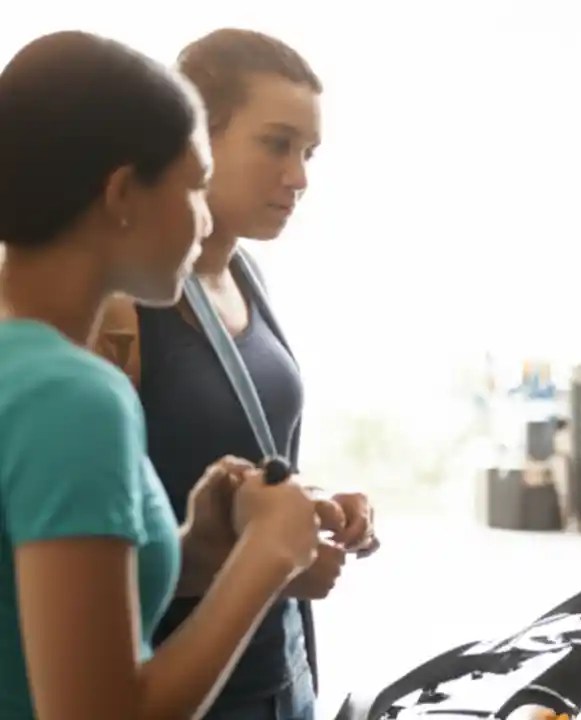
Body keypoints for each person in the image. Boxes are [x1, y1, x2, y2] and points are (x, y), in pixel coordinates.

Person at [0, 30, 322, 719]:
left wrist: (194, 551)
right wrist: (265, 559)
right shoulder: (73, 396)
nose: (205, 217)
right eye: (196, 185)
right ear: (123, 194)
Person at [92, 28, 379, 720]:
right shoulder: (119, 310)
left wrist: (310, 506)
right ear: (196, 138)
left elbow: (232, 461)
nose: (300, 177)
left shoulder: (246, 277)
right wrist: (265, 560)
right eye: (276, 144)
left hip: (277, 670)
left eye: (308, 153)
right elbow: (95, 551)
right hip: (177, 677)